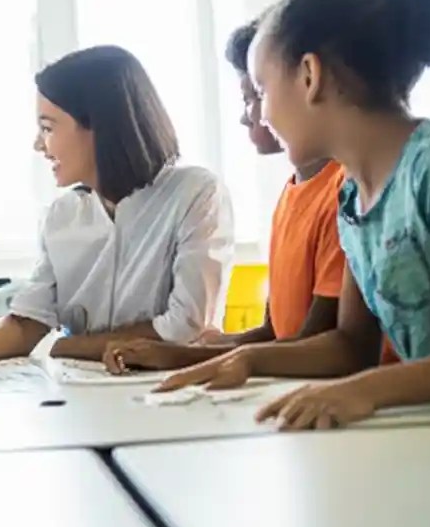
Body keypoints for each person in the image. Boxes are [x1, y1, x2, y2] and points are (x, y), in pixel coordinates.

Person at [160, 0, 430, 430]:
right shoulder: (354, 198)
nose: (262, 114)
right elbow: (351, 346)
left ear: (310, 75)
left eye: (261, 89)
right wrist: (249, 359)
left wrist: (369, 389)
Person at [0, 45, 234, 369]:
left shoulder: (195, 194)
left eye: (48, 127)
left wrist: (67, 345)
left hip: (173, 393)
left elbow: (184, 327)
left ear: (99, 126)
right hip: (86, 397)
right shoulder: (61, 216)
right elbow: (26, 325)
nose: (38, 144)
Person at [102, 20, 345, 373]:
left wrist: (182, 356)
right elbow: (275, 331)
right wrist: (216, 343)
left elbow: (316, 342)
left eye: (255, 96)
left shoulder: (341, 192)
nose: (248, 117)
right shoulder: (292, 191)